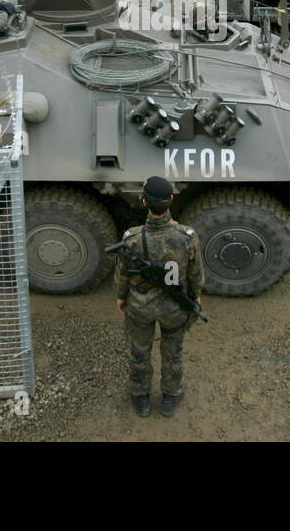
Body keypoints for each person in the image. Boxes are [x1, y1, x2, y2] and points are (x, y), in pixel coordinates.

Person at [114, 176, 203, 418]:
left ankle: (140, 397)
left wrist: (122, 298)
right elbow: (196, 276)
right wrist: (195, 299)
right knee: (173, 352)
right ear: (171, 200)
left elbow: (121, 276)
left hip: (139, 307)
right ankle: (170, 397)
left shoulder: (131, 238)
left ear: (144, 202)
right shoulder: (187, 237)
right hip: (174, 309)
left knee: (139, 352)